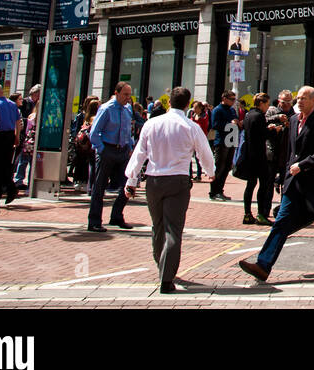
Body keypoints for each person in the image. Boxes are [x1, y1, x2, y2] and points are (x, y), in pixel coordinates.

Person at [239, 86, 314, 282]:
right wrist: (283, 175)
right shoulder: (294, 120)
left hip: (313, 181)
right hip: (293, 182)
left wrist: (302, 166)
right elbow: (288, 152)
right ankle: (263, 265)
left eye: (304, 98)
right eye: (299, 98)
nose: (300, 101)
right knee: (281, 222)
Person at [123, 86, 215, 294]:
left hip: (154, 180)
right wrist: (211, 171)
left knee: (158, 226)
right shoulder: (191, 127)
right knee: (173, 230)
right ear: (187, 104)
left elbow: (140, 152)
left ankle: (161, 264)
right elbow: (204, 152)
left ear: (169, 102)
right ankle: (166, 277)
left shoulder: (151, 124)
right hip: (178, 180)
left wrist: (131, 179)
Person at [87, 82, 135, 232]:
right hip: (107, 149)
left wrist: (130, 147)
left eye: (129, 94)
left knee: (128, 185)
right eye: (125, 94)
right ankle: (94, 221)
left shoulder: (127, 109)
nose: (128, 98)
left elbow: (128, 130)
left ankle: (116, 216)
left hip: (123, 151)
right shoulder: (106, 108)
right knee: (99, 187)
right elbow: (94, 133)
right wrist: (102, 149)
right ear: (117, 93)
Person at [240, 92, 273, 225]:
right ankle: (261, 214)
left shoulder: (248, 115)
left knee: (250, 185)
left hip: (249, 155)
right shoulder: (259, 116)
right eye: (267, 104)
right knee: (264, 184)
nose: (268, 107)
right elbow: (262, 134)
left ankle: (247, 213)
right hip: (259, 155)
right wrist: (273, 130)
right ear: (261, 103)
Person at [208, 90, 240, 201]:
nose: (233, 102)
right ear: (224, 98)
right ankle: (213, 191)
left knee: (227, 167)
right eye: (231, 99)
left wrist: (237, 123)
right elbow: (215, 125)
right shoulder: (217, 110)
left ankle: (220, 190)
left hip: (231, 141)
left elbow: (235, 121)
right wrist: (230, 124)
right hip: (221, 142)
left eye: (234, 99)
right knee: (219, 167)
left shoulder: (231, 110)